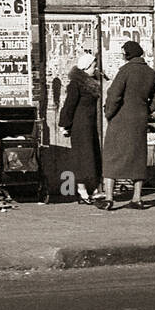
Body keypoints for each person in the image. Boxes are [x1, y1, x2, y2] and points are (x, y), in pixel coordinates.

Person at [98, 40, 155, 210]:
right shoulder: (150, 73)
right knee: (137, 157)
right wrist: (144, 111)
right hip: (139, 120)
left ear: (127, 54)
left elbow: (114, 96)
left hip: (120, 119)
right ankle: (137, 198)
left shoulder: (125, 71)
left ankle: (109, 199)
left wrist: (109, 113)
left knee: (112, 157)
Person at [58, 49, 102, 205]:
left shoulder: (91, 83)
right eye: (93, 67)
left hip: (89, 125)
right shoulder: (76, 84)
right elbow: (69, 105)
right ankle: (82, 189)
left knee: (91, 156)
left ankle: (93, 188)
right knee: (82, 157)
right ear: (85, 67)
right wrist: (65, 125)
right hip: (80, 125)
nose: (95, 69)